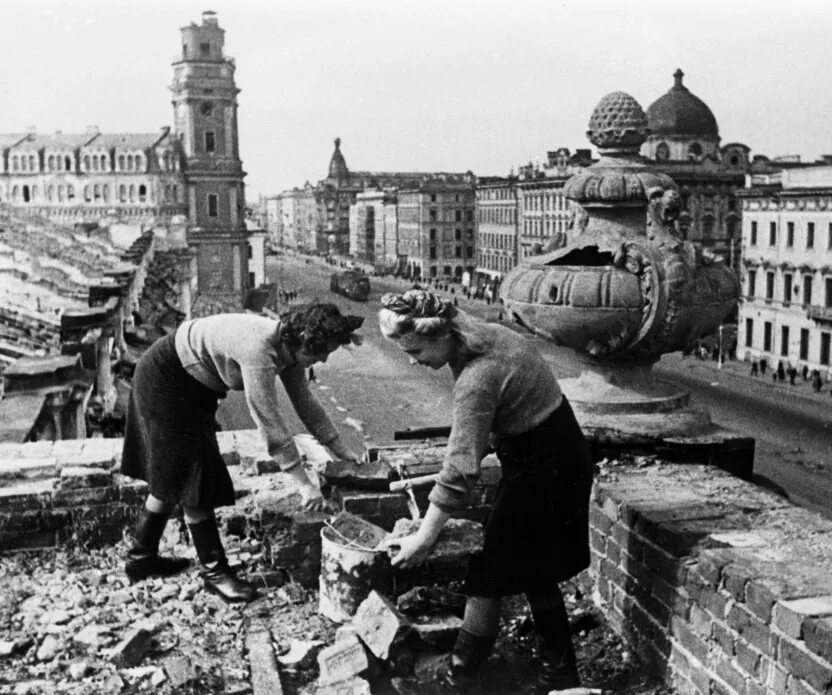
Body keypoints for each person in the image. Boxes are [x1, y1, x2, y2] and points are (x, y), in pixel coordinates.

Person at [378, 290, 592, 693]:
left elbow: (460, 469)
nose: (412, 360)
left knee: (486, 577)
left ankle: (458, 680)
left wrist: (425, 536)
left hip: (545, 470)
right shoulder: (487, 334)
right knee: (538, 572)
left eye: (416, 350)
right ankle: (559, 674)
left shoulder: (477, 376)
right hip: (562, 455)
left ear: (440, 335)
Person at [120, 303, 364, 602]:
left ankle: (140, 559)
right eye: (320, 351)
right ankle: (215, 574)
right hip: (166, 379)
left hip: (193, 386)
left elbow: (305, 403)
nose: (324, 358)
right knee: (195, 477)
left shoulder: (290, 348)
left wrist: (340, 449)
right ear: (302, 337)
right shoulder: (259, 351)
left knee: (175, 474)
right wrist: (303, 483)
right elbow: (268, 420)